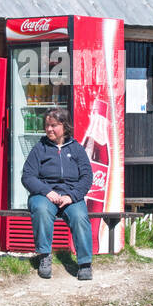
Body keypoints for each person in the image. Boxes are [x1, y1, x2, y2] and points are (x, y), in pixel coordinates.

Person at [21, 106, 94, 281]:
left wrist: (72, 196)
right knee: (41, 209)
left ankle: (85, 264)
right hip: (45, 195)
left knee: (79, 217)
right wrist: (47, 192)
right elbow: (27, 176)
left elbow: (87, 177)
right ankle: (44, 256)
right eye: (47, 125)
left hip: (70, 194)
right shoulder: (40, 148)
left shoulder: (76, 148)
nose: (49, 129)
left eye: (53, 125)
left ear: (64, 126)